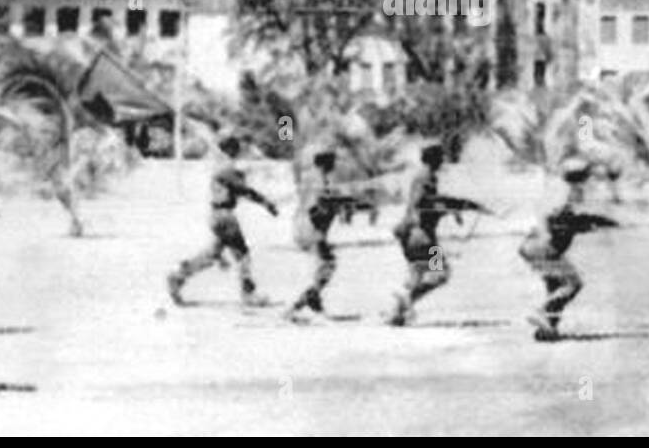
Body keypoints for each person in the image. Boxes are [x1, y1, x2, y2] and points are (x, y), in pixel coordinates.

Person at [168, 136, 279, 306]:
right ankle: (248, 295)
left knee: (211, 255)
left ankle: (178, 276)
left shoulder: (219, 165)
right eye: (237, 148)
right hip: (226, 216)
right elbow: (246, 191)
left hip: (216, 215)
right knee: (243, 255)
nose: (240, 151)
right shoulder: (228, 168)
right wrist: (266, 203)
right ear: (232, 149)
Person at [388, 143, 489, 326]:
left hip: (411, 236)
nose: (443, 161)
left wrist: (451, 209)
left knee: (417, 274)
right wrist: (461, 205)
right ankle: (405, 300)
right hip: (423, 237)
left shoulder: (421, 176)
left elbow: (427, 205)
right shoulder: (426, 178)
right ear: (434, 159)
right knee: (440, 273)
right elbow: (425, 204)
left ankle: (398, 313)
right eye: (440, 158)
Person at [518, 157, 619, 341]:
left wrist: (593, 223)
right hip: (544, 247)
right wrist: (595, 223)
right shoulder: (570, 193)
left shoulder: (558, 189)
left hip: (533, 246)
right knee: (572, 284)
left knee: (555, 286)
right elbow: (560, 220)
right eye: (588, 175)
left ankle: (547, 330)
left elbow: (566, 221)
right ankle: (541, 313)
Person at [285, 149, 372, 321]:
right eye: (333, 162)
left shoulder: (312, 176)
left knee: (325, 265)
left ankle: (312, 301)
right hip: (310, 226)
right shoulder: (317, 177)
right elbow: (320, 202)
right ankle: (301, 303)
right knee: (328, 264)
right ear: (326, 162)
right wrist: (349, 202)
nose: (335, 165)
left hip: (304, 224)